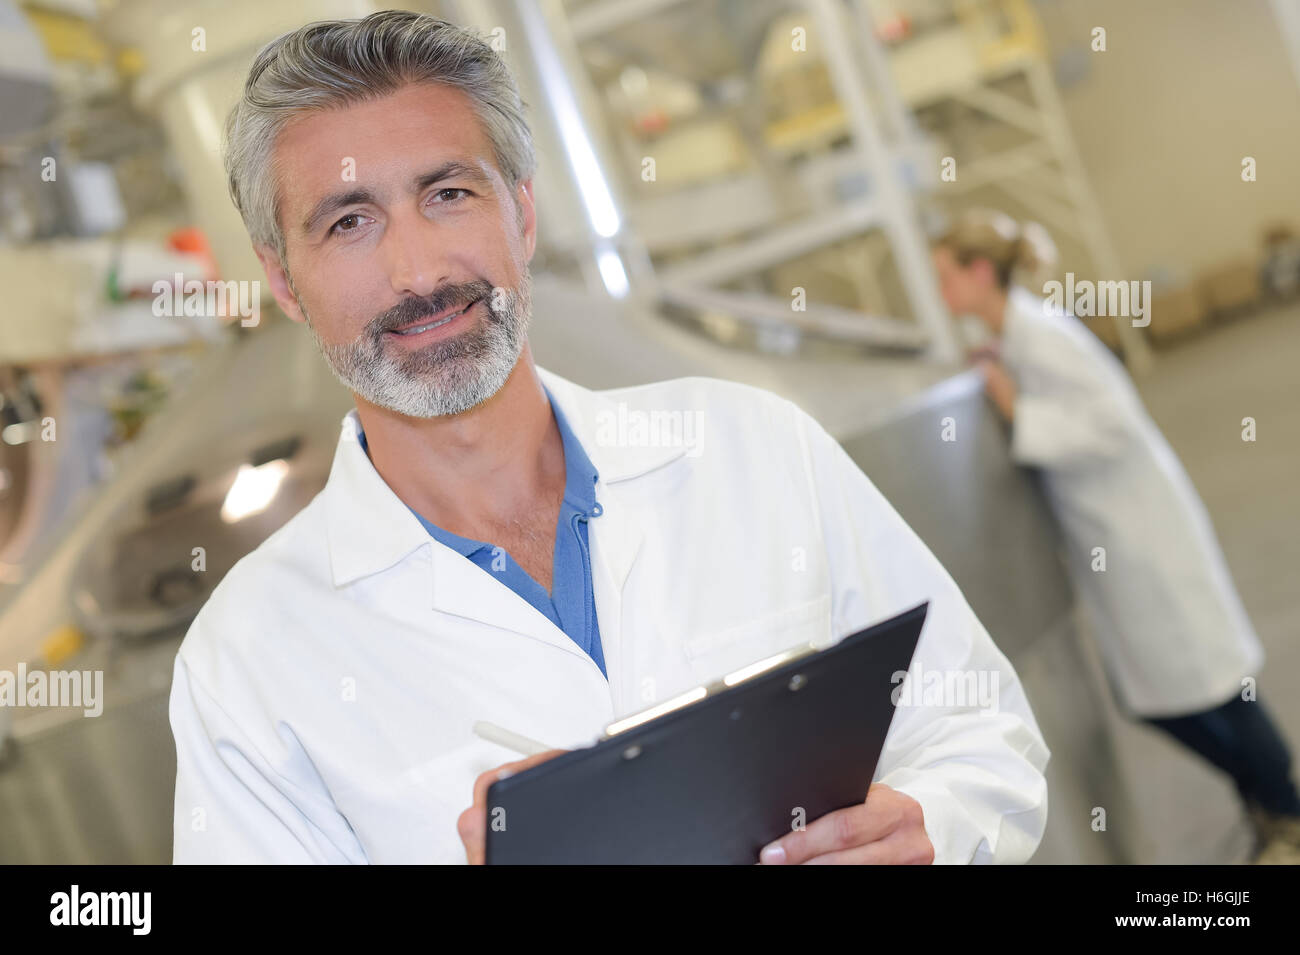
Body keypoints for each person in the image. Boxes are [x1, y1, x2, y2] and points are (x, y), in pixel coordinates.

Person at [168, 12, 1049, 865]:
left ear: (522, 214)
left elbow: (981, 731)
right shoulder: (247, 658)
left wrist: (929, 824)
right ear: (284, 280)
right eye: (349, 222)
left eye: (448, 194)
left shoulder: (750, 447)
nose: (419, 272)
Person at [932, 209, 1300, 864]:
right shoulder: (1017, 336)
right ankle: (1267, 798)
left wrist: (1018, 408)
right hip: (1116, 539)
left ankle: (1286, 812)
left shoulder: (1042, 335)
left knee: (1213, 683)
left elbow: (1113, 423)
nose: (939, 293)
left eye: (945, 277)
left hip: (1141, 533)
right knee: (1162, 692)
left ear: (980, 272)